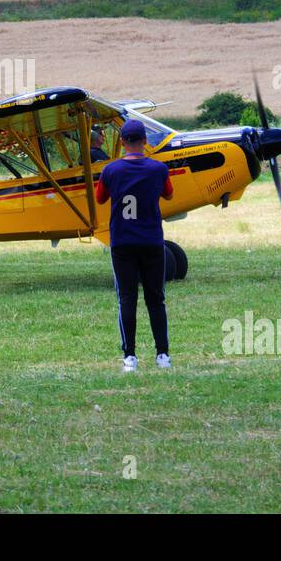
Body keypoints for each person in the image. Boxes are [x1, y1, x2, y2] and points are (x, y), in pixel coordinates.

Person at [95, 118, 174, 372]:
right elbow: (169, 193)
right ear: (144, 141)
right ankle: (162, 355)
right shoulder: (158, 169)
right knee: (156, 299)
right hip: (151, 241)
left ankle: (130, 356)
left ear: (122, 142)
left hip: (122, 242)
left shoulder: (111, 170)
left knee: (127, 299)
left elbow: (100, 198)